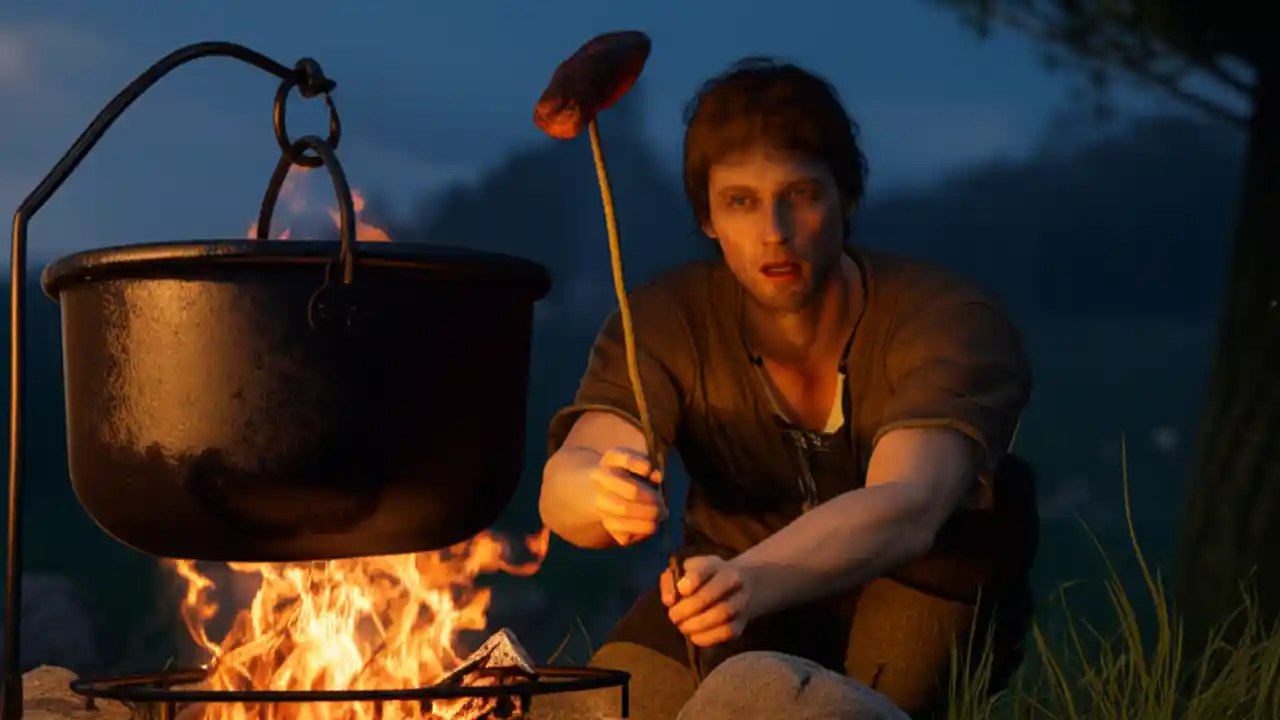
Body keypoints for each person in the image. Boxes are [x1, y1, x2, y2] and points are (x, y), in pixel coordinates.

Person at [533, 57, 1038, 720]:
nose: (774, 229)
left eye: (799, 194)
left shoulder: (946, 318)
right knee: (583, 710)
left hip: (921, 579)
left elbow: (909, 503)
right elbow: (569, 480)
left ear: (846, 197)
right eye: (740, 201)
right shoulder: (668, 317)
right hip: (724, 580)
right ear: (708, 218)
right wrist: (599, 490)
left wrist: (752, 580)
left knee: (796, 707)